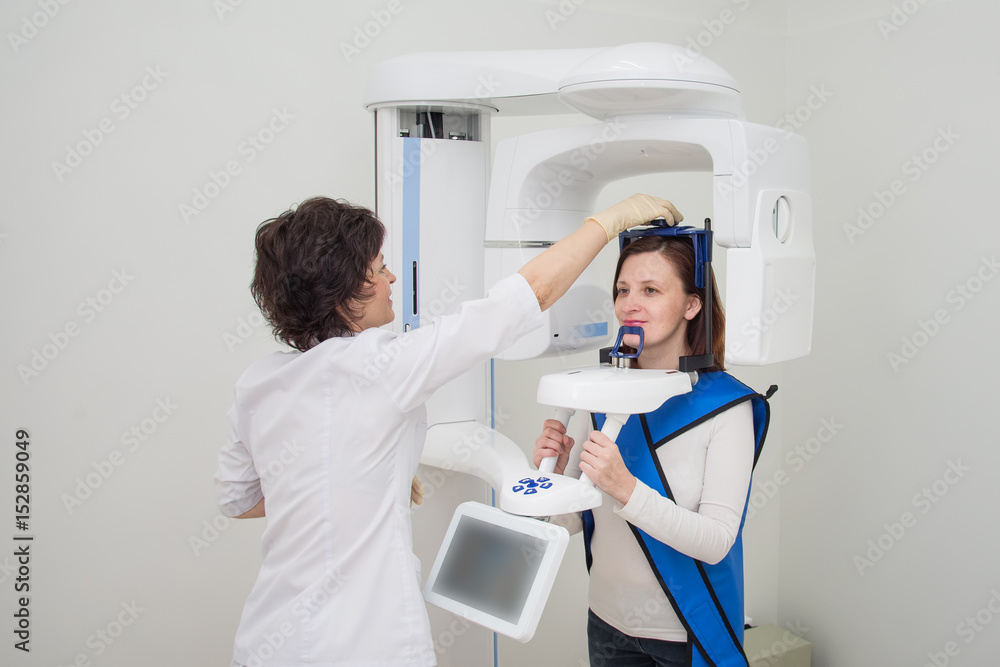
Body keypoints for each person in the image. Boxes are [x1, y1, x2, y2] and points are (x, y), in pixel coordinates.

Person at [213, 193, 681, 667]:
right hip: (357, 645)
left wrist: (355, 476)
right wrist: (608, 221)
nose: (392, 278)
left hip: (267, 639)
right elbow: (523, 298)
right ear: (345, 290)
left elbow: (241, 499)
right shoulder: (379, 364)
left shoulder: (259, 382)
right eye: (378, 269)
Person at [533, 233, 772, 667]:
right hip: (606, 626)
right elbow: (566, 521)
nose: (629, 304)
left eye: (650, 290)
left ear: (691, 305)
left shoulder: (725, 408)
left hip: (682, 634)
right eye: (623, 290)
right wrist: (552, 477)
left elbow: (716, 541)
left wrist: (625, 488)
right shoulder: (599, 392)